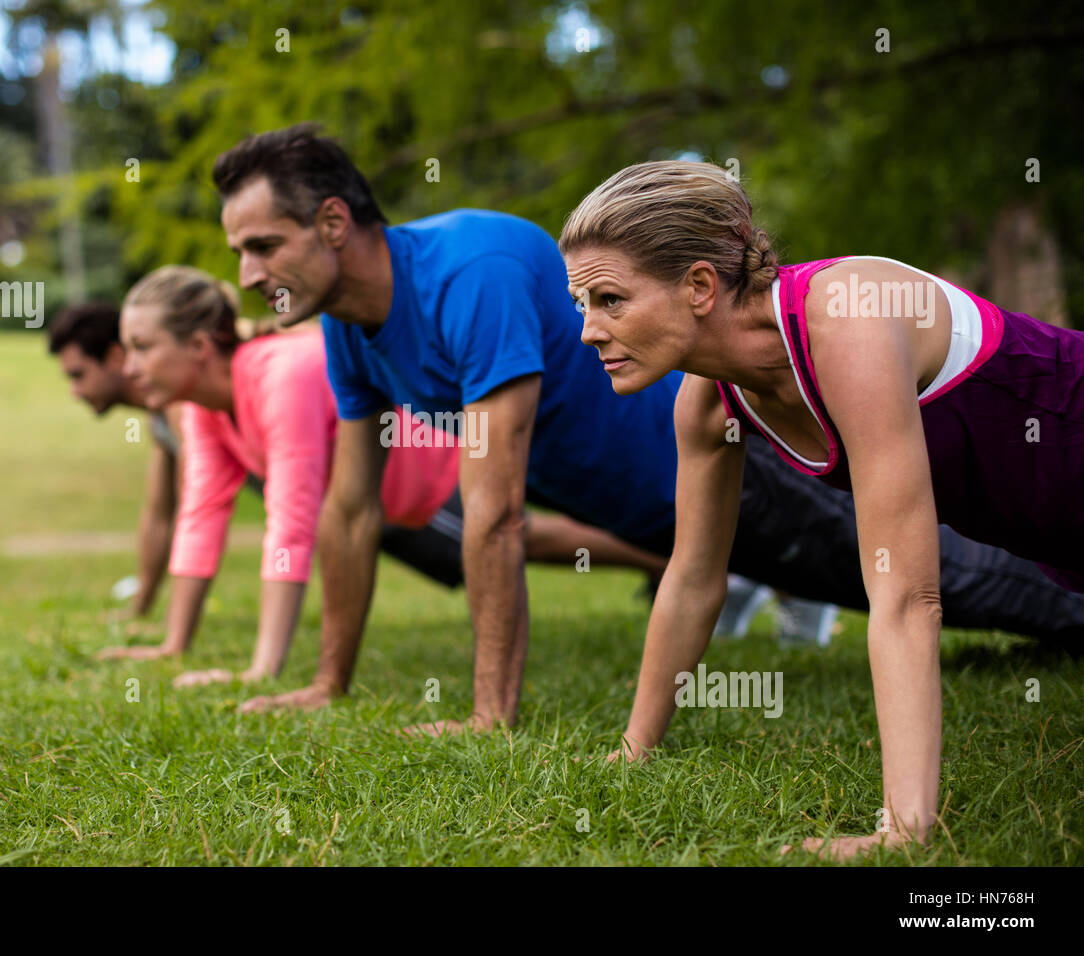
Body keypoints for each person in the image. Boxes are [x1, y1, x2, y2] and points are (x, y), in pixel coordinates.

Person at [213, 125, 1081, 738]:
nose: (247, 275)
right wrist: (329, 681)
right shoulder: (342, 326)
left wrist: (488, 715)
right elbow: (349, 511)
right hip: (647, 502)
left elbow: (495, 511)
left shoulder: (466, 273)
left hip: (745, 460)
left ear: (332, 223)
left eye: (261, 245)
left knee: (971, 580)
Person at [557, 158, 1084, 859]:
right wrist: (634, 748)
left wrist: (903, 830)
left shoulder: (846, 322)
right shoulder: (709, 403)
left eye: (610, 300)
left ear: (700, 286)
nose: (589, 330)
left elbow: (905, 595)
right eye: (581, 305)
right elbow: (691, 577)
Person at [98, 265, 671, 683]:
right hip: (394, 499)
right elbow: (200, 517)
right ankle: (676, 565)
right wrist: (175, 643)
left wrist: (260, 670)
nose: (129, 366)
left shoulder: (279, 376)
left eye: (141, 347)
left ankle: (677, 566)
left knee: (529, 535)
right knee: (532, 538)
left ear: (198, 346)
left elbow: (292, 523)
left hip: (433, 464)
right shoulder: (201, 406)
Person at [48, 302, 183, 624]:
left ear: (114, 357)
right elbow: (159, 515)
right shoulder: (159, 420)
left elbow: (200, 512)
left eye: (79, 375)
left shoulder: (179, 405)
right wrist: (140, 609)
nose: (75, 392)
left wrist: (176, 637)